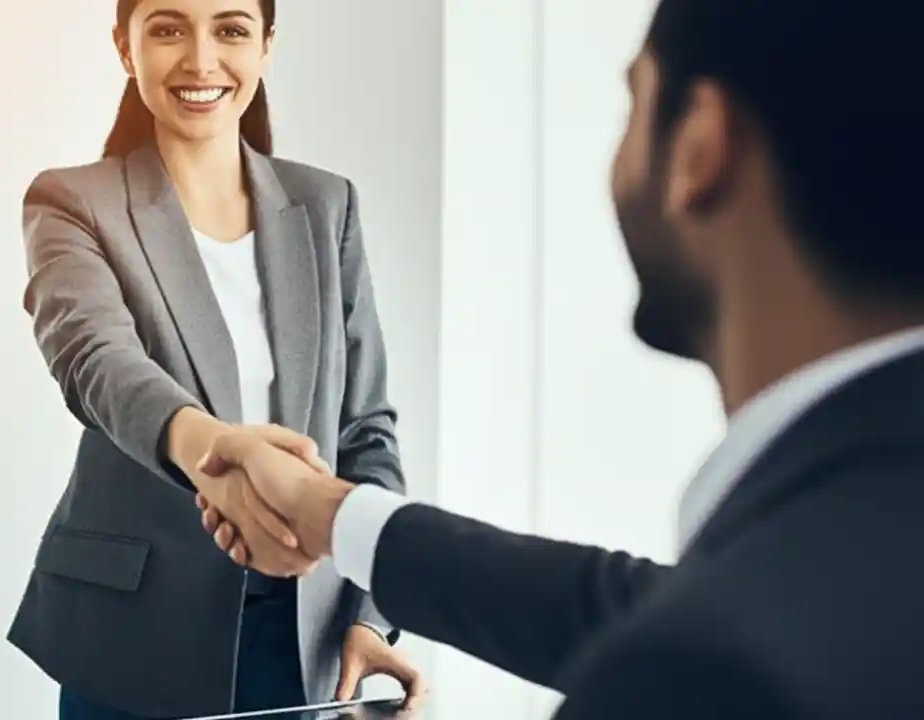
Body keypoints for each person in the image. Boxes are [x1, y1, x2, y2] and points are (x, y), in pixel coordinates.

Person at [194, 0, 924, 717]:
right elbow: (646, 606)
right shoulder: (848, 555)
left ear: (701, 145)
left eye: (633, 105)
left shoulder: (701, 669)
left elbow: (692, 639)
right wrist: (337, 517)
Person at [6, 0, 423, 718]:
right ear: (125, 47)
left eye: (230, 29)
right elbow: (97, 362)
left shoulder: (326, 205)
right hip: (134, 635)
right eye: (168, 28)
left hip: (306, 633)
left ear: (266, 45)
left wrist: (369, 612)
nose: (201, 59)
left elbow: (366, 434)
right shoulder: (73, 201)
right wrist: (219, 448)